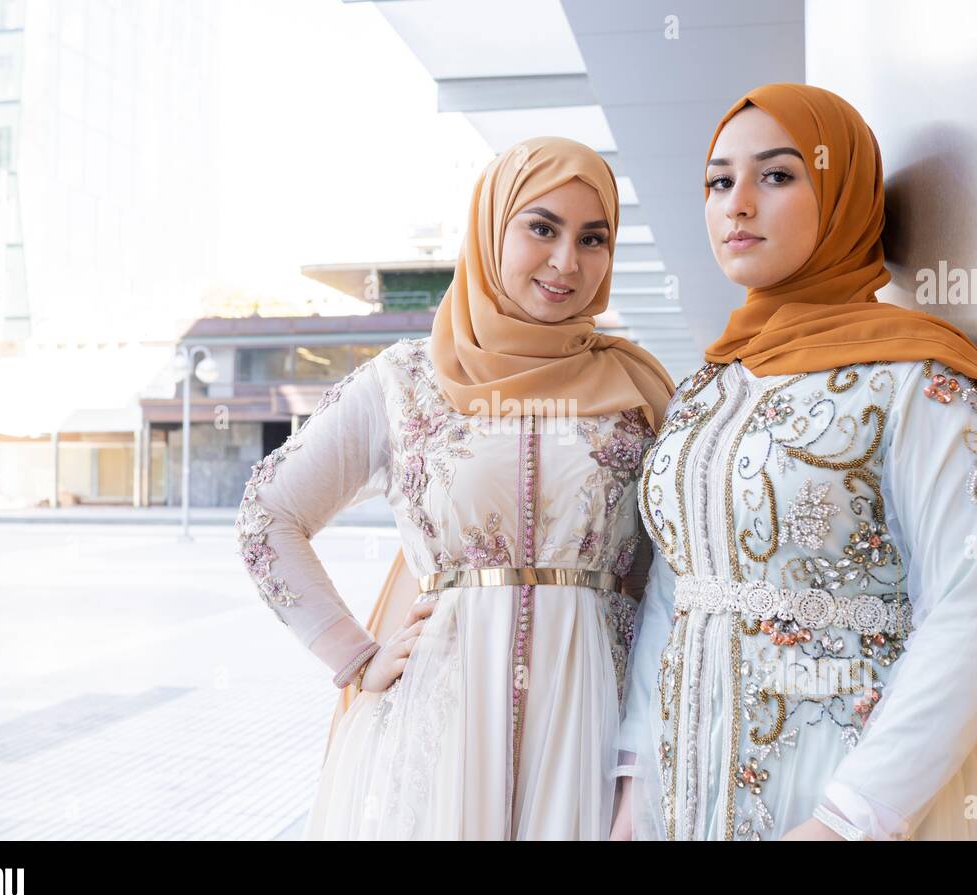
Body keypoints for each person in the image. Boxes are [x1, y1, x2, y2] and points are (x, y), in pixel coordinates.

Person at [611, 83, 977, 841]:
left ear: (843, 196)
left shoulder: (919, 380)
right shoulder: (704, 392)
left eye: (776, 175)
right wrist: (634, 782)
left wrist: (850, 819)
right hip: (688, 790)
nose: (737, 203)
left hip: (850, 786)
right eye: (719, 181)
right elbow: (675, 600)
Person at [236, 136, 676, 839]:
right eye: (541, 227)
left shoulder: (639, 388)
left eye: (593, 238)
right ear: (490, 226)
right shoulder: (406, 380)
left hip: (592, 714)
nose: (568, 261)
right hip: (443, 713)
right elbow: (269, 514)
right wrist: (355, 655)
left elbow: (676, 579)